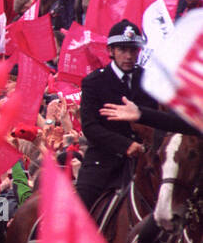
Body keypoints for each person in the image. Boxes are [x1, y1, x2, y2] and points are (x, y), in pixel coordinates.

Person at [76, 20, 199, 212]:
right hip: (104, 160)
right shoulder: (94, 82)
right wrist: (126, 145)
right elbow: (91, 127)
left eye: (133, 51)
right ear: (111, 51)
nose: (128, 56)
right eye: (123, 50)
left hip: (146, 161)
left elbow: (164, 120)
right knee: (81, 207)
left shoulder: (149, 80)